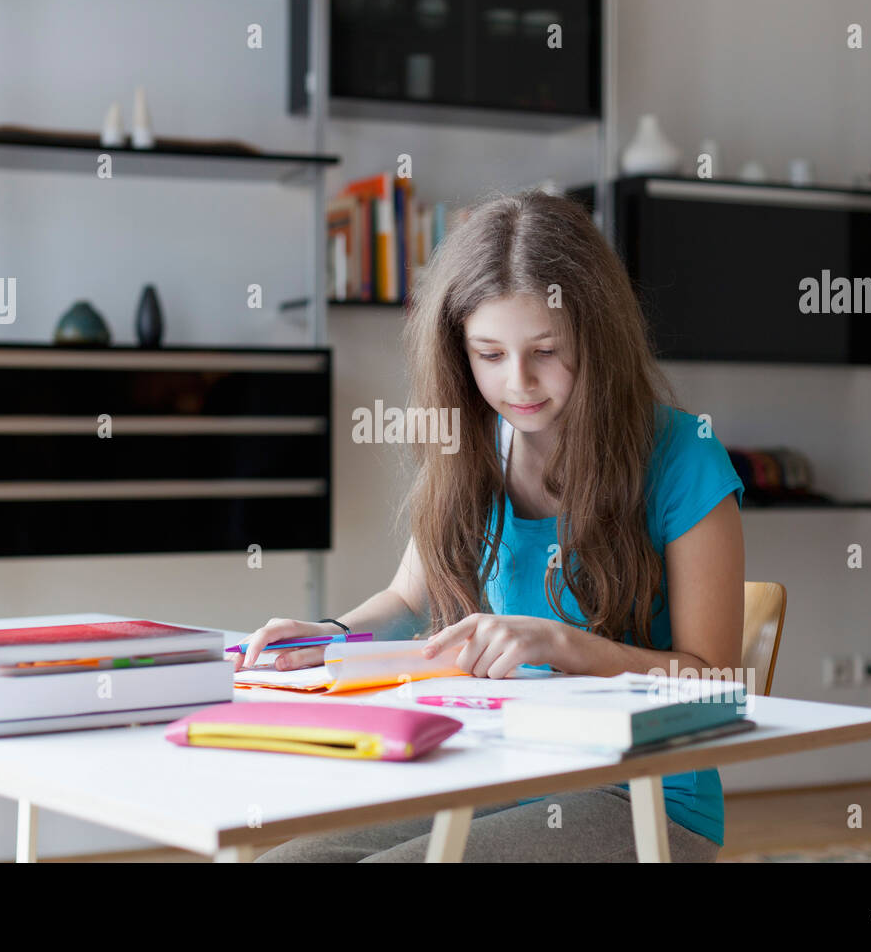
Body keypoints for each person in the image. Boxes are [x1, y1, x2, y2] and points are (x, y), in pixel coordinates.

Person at [236, 189, 745, 862]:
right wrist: (333, 635)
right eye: (489, 354)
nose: (520, 383)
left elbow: (714, 682)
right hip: (509, 772)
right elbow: (408, 600)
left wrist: (568, 647)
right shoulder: (470, 446)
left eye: (545, 350)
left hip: (646, 800)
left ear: (599, 336)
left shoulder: (683, 455)